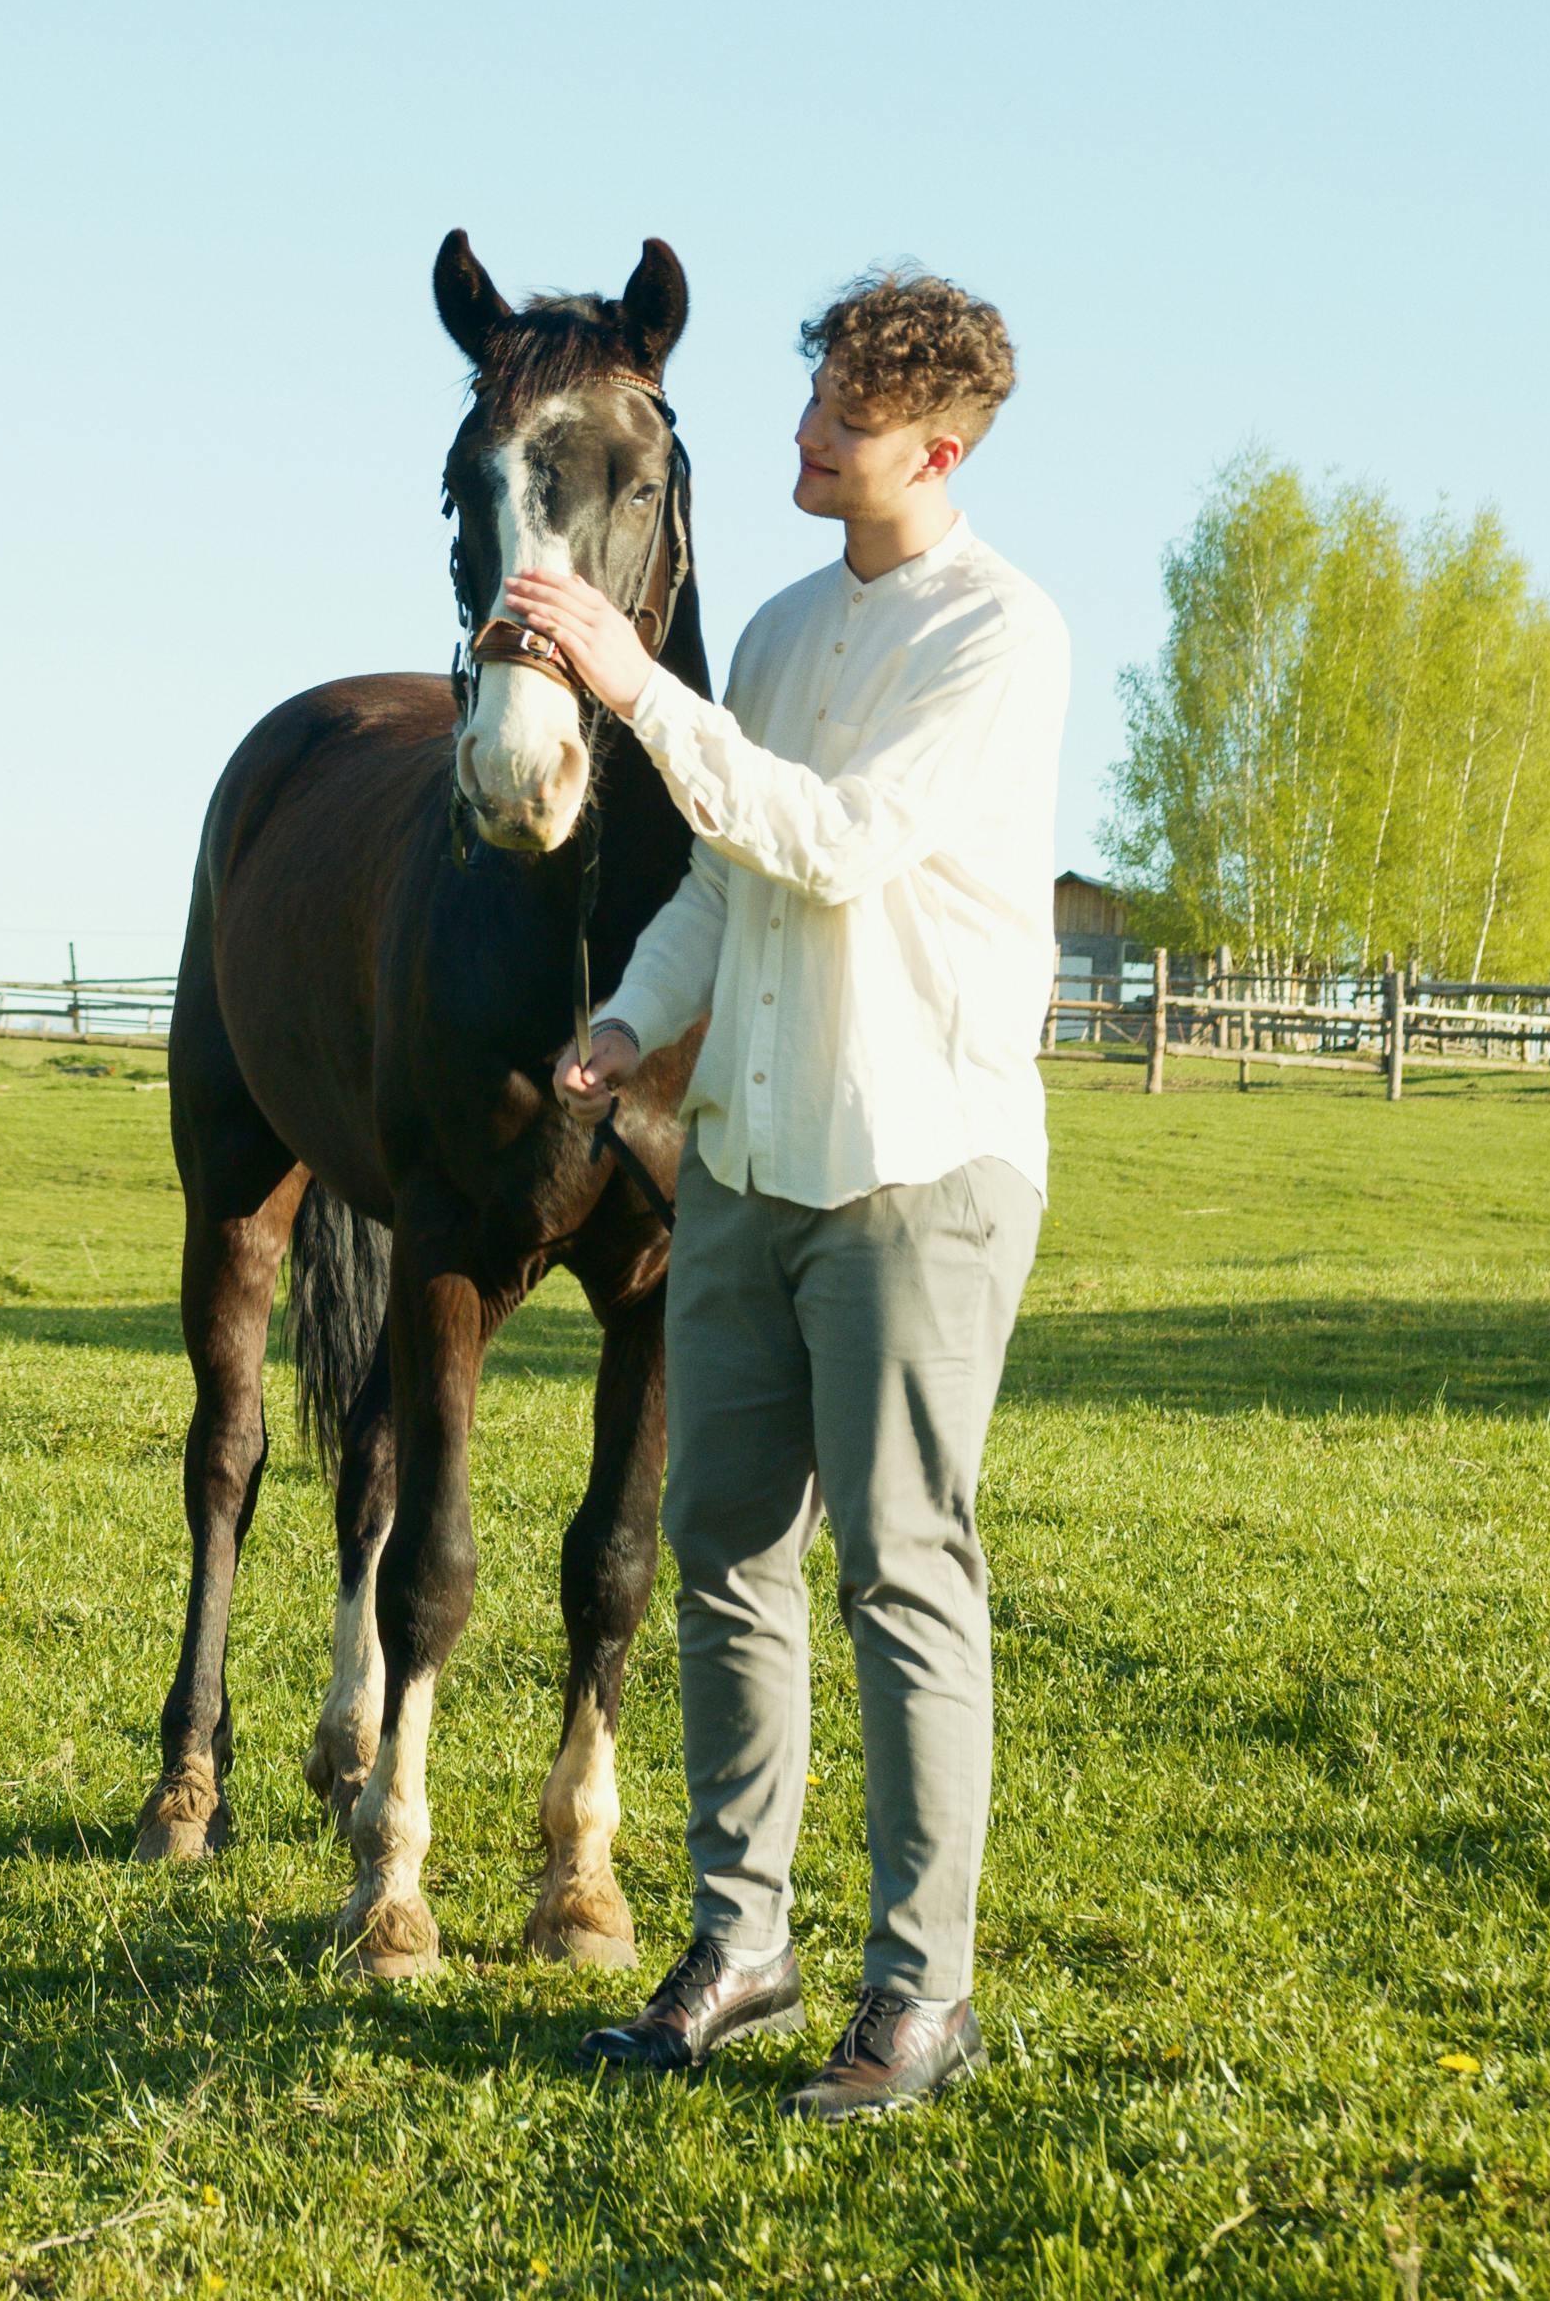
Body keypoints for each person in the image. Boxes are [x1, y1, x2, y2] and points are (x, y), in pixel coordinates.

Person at [506, 264, 1067, 2122]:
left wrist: (626, 682)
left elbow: (826, 845)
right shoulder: (768, 630)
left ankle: (922, 1993)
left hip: (920, 1167)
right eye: (814, 391)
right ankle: (740, 1946)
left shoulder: (999, 638)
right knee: (724, 1560)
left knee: (905, 1576)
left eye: (838, 409)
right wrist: (627, 1023)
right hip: (746, 1161)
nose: (805, 430)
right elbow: (725, 893)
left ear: (937, 444)